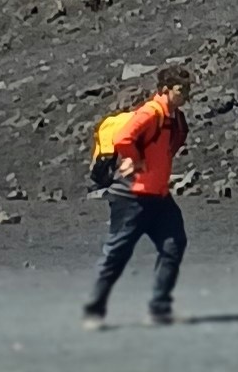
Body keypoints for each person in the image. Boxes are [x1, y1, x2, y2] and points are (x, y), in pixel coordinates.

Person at [81, 66, 190, 329]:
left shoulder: (174, 118)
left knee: (174, 244)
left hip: (158, 197)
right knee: (117, 253)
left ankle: (159, 309)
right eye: (181, 90)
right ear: (164, 90)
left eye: (188, 90)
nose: (186, 95)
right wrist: (137, 159)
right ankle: (94, 310)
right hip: (131, 196)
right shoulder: (150, 113)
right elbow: (122, 138)